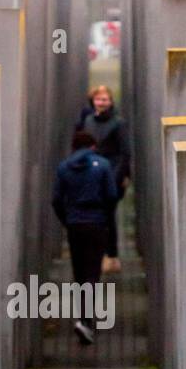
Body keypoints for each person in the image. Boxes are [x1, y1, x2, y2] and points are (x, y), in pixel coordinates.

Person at [52, 131, 118, 346]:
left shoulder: (63, 167)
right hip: (96, 224)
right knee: (92, 273)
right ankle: (86, 321)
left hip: (74, 224)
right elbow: (111, 196)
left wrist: (67, 219)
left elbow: (56, 200)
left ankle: (84, 319)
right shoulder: (103, 165)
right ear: (92, 146)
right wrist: (105, 218)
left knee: (79, 272)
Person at [74, 85, 131, 274]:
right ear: (93, 101)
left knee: (108, 215)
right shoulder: (88, 120)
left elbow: (125, 153)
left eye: (105, 99)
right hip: (90, 175)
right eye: (99, 99)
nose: (102, 103)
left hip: (111, 175)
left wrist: (118, 178)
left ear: (111, 101)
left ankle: (111, 256)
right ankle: (97, 255)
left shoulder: (119, 123)